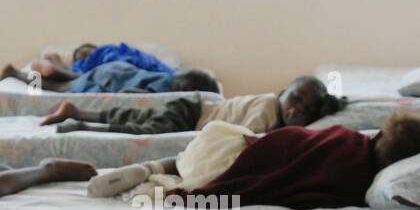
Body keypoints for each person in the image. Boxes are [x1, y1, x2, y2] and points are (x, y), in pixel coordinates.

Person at [86, 110, 420, 210]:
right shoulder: (356, 177)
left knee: (186, 160)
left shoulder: (347, 137)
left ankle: (156, 166)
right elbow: (294, 187)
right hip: (221, 166)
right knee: (193, 178)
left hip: (222, 143)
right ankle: (158, 179)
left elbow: (294, 148)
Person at [40, 75, 347, 135]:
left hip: (195, 108)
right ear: (281, 92)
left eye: (305, 109)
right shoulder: (267, 106)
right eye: (294, 98)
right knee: (147, 127)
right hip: (194, 113)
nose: (296, 109)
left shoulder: (277, 113)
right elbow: (246, 138)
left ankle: (78, 110)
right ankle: (83, 125)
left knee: (138, 113)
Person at [7, 42, 176, 91]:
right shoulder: (119, 49)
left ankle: (52, 66)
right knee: (66, 85)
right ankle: (17, 74)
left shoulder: (92, 59)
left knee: (72, 80)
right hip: (120, 70)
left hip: (115, 71)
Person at [1, 59, 219, 96]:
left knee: (78, 77)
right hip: (111, 82)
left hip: (116, 69)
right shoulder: (165, 90)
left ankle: (55, 68)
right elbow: (129, 93)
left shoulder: (167, 77)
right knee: (62, 89)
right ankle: (16, 74)